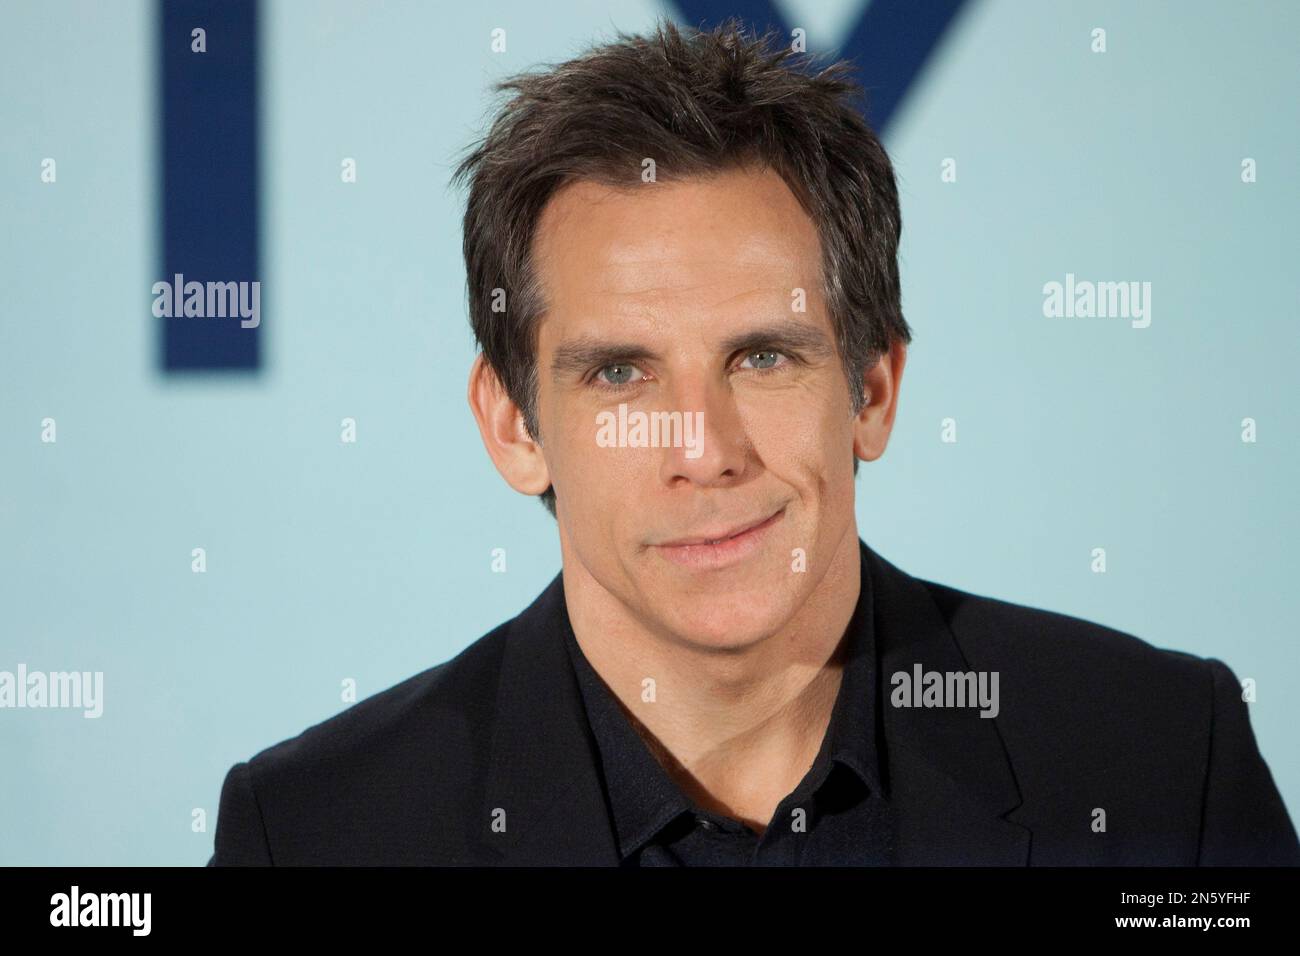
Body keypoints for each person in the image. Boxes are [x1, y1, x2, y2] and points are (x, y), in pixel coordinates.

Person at [209, 18, 1298, 866]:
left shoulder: (1159, 761)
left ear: (872, 388)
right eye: (622, 371)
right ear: (512, 425)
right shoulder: (317, 832)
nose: (707, 448)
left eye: (763, 357)